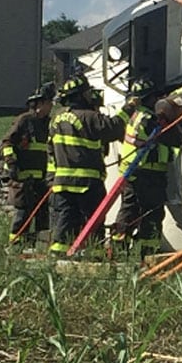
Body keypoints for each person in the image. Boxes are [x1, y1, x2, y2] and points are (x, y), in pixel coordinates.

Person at [46, 75, 127, 256]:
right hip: (87, 184)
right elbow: (115, 127)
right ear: (80, 95)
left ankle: (58, 256)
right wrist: (129, 108)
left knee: (64, 222)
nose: (92, 95)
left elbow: (51, 153)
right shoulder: (89, 117)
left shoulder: (56, 120)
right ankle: (94, 254)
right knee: (93, 221)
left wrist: (51, 180)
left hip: (62, 184)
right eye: (88, 93)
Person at [109, 77, 182, 257]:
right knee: (152, 212)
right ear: (150, 98)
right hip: (148, 172)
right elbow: (168, 140)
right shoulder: (149, 118)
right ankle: (147, 249)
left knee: (129, 209)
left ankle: (118, 244)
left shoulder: (134, 115)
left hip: (132, 172)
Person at [3, 82, 55, 244]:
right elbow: (7, 143)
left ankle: (39, 244)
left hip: (41, 178)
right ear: (39, 103)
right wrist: (12, 164)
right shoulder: (24, 121)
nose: (51, 106)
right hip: (22, 176)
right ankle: (15, 244)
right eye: (48, 102)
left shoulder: (49, 123)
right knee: (23, 212)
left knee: (42, 212)